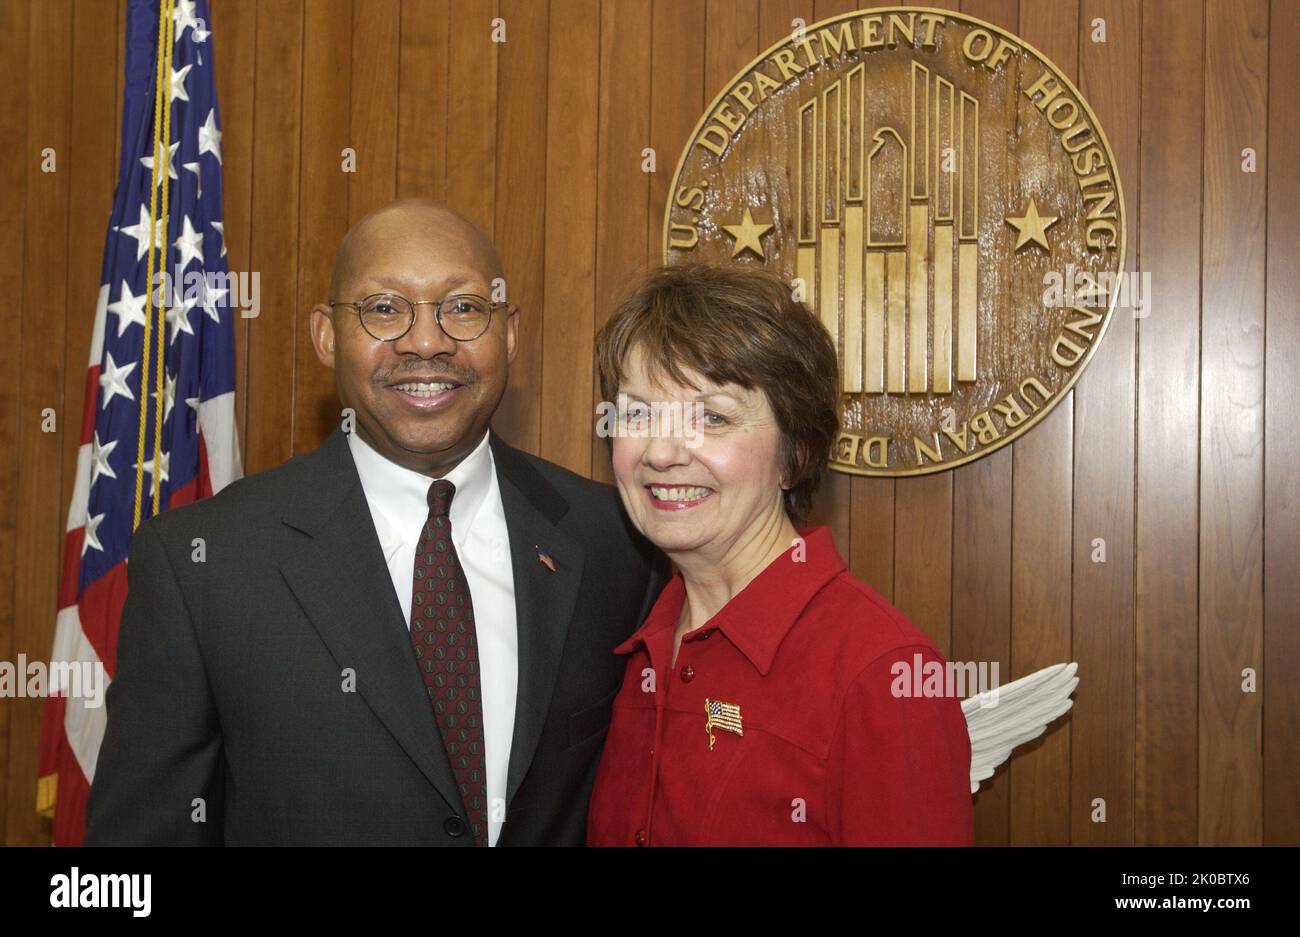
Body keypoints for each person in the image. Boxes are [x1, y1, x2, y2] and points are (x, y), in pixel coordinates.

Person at [85, 199, 667, 846]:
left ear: (510, 334)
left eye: (465, 307)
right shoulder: (202, 564)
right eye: (384, 308)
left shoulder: (618, 541)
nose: (426, 341)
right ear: (326, 336)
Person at [585, 263, 974, 845]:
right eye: (638, 414)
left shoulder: (881, 677)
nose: (661, 453)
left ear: (796, 454)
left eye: (711, 417)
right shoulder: (635, 646)